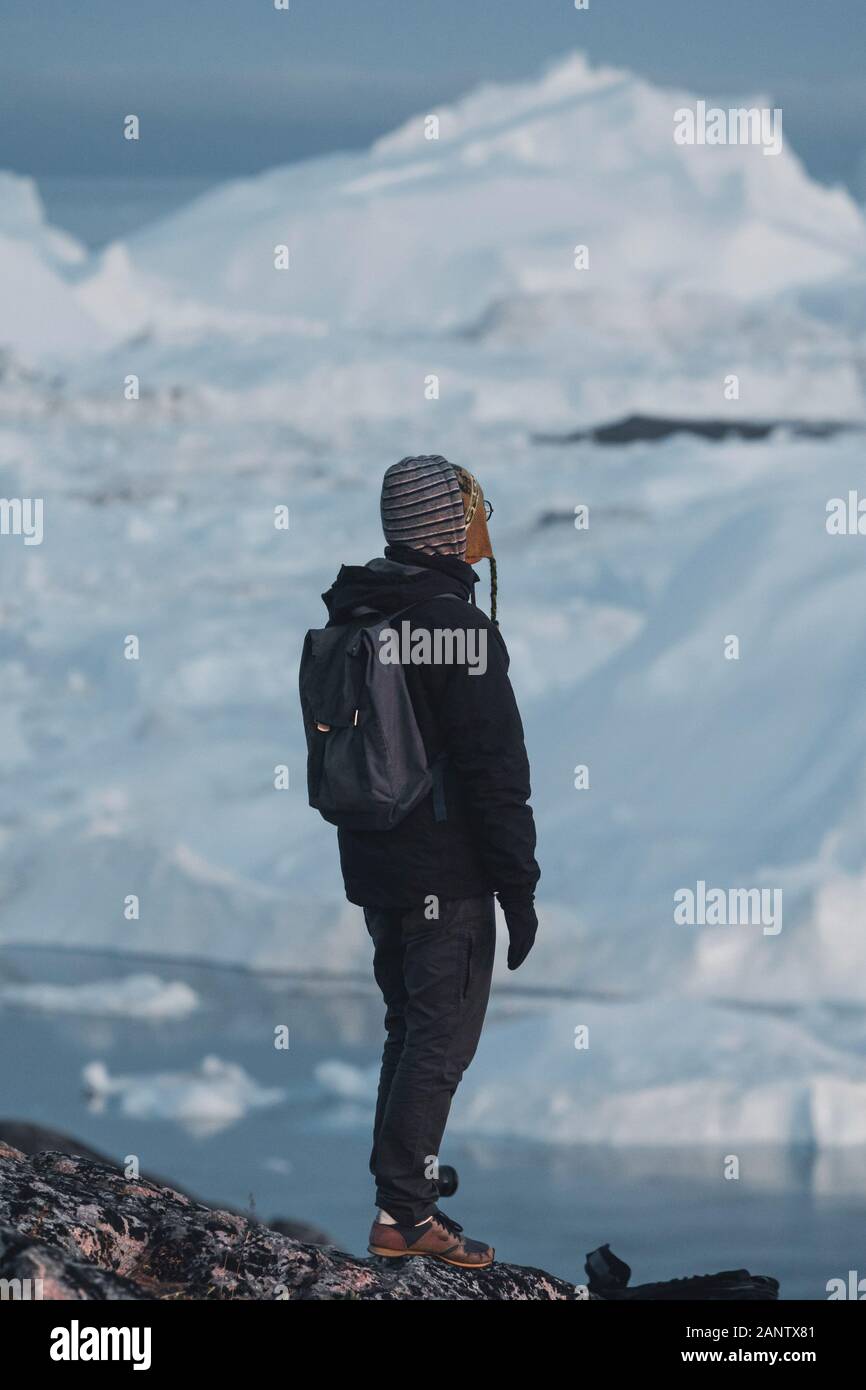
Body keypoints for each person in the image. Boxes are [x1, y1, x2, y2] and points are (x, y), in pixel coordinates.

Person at [319, 454, 540, 1267]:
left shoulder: (361, 611)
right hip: (447, 873)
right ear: (448, 525)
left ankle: (400, 1197)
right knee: (439, 1044)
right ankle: (406, 1213)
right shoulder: (457, 629)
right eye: (473, 508)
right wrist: (518, 887)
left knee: (409, 1031)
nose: (483, 524)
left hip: (378, 867)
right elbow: (494, 768)